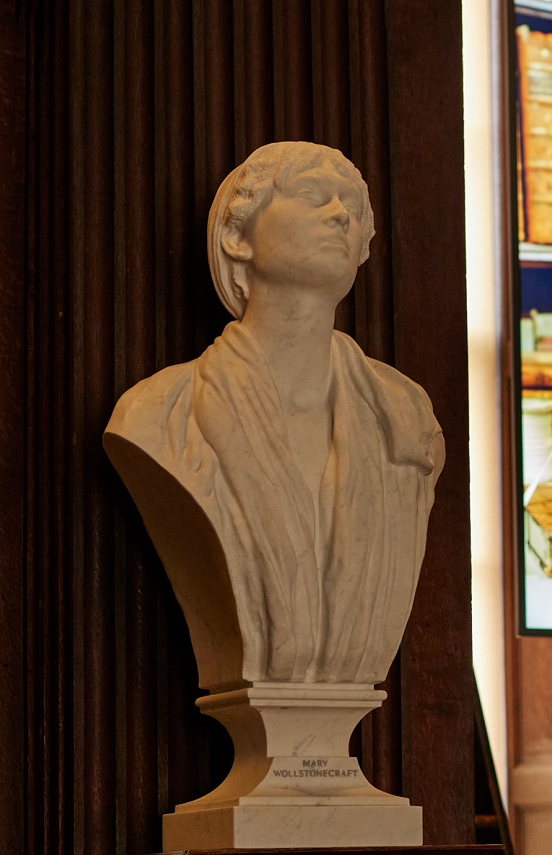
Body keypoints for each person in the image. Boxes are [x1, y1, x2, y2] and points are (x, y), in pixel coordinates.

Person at [106, 141, 444, 689]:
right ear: (238, 237)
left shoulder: (406, 418)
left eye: (353, 208)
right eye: (313, 194)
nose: (341, 214)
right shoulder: (158, 415)